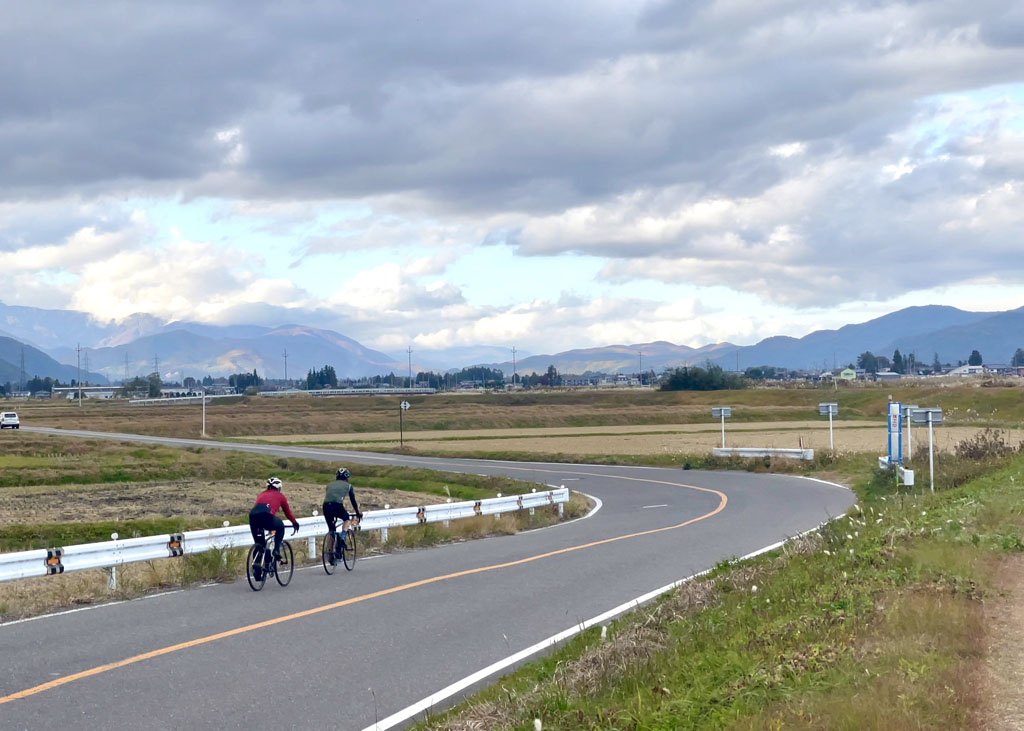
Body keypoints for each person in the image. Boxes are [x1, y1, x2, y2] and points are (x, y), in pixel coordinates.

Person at [249, 476, 299, 565]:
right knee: (280, 526)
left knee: (259, 543)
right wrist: (294, 522)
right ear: (279, 488)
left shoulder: (261, 494)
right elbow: (287, 512)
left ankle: (256, 565)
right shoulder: (280, 496)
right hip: (267, 517)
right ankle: (276, 550)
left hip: (253, 517)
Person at [323, 467, 362, 560]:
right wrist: (357, 512)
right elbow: (353, 500)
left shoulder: (329, 485)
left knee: (331, 529)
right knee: (347, 519)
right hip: (337, 506)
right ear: (347, 478)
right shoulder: (348, 486)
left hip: (326, 507)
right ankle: (343, 536)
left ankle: (330, 553)